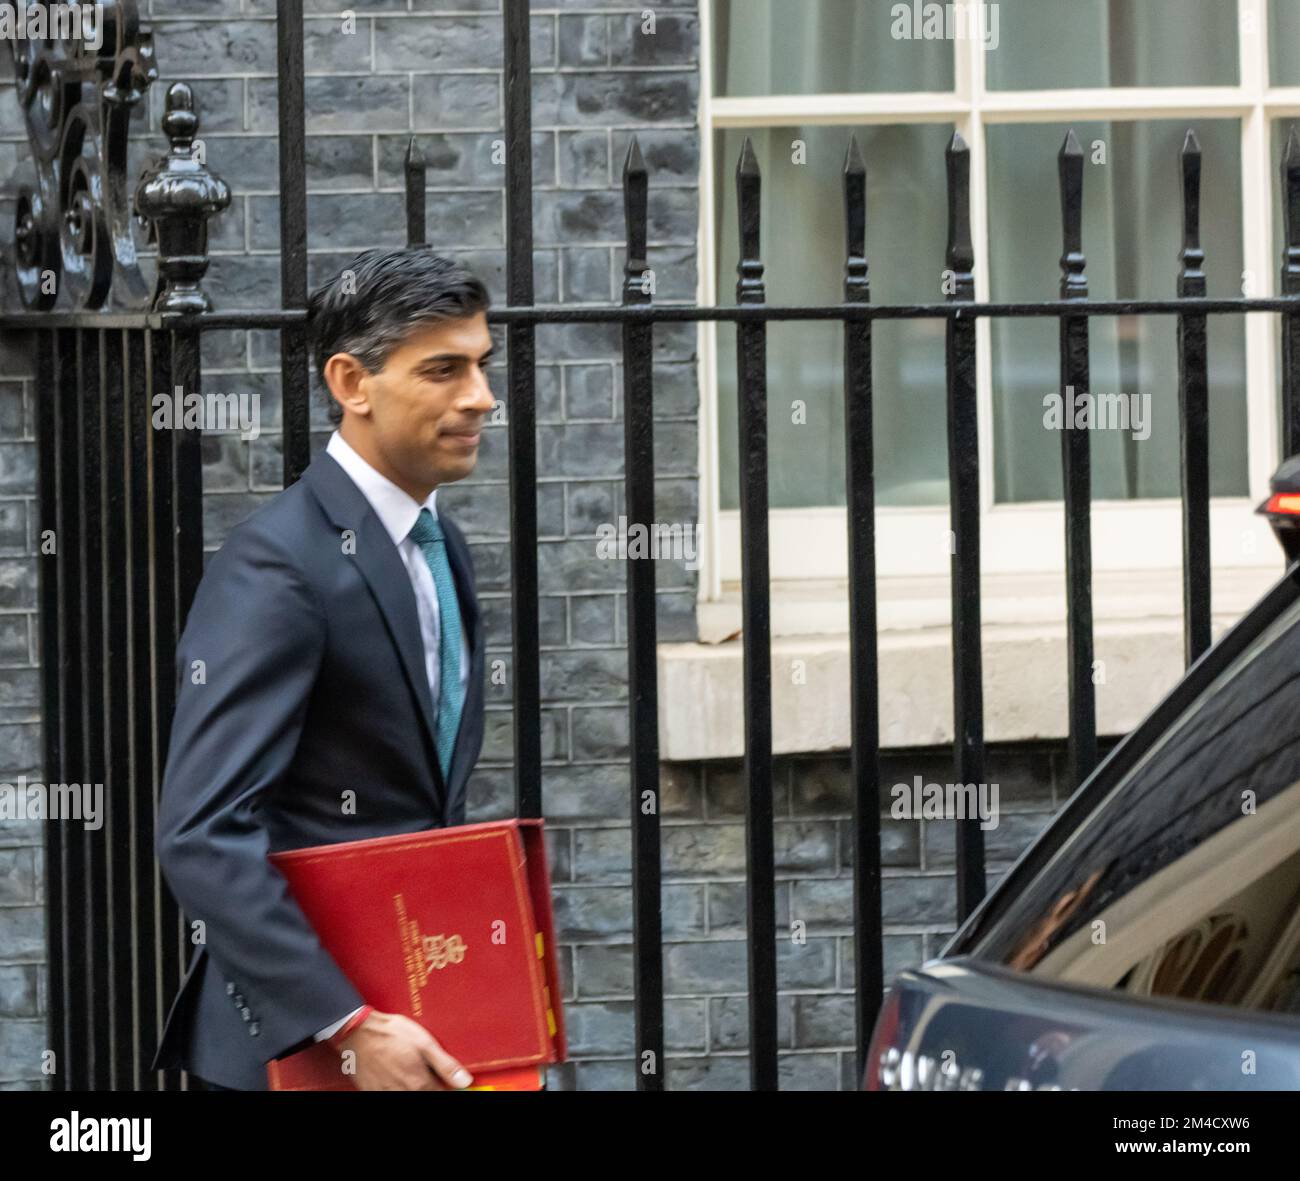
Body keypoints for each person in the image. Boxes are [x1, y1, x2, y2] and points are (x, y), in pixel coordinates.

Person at [150, 248, 494, 1091]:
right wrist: (344, 1023)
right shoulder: (277, 565)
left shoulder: (442, 544)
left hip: (409, 1025)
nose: (481, 397)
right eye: (443, 370)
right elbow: (200, 832)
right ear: (352, 382)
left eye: (482, 366)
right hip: (292, 1053)